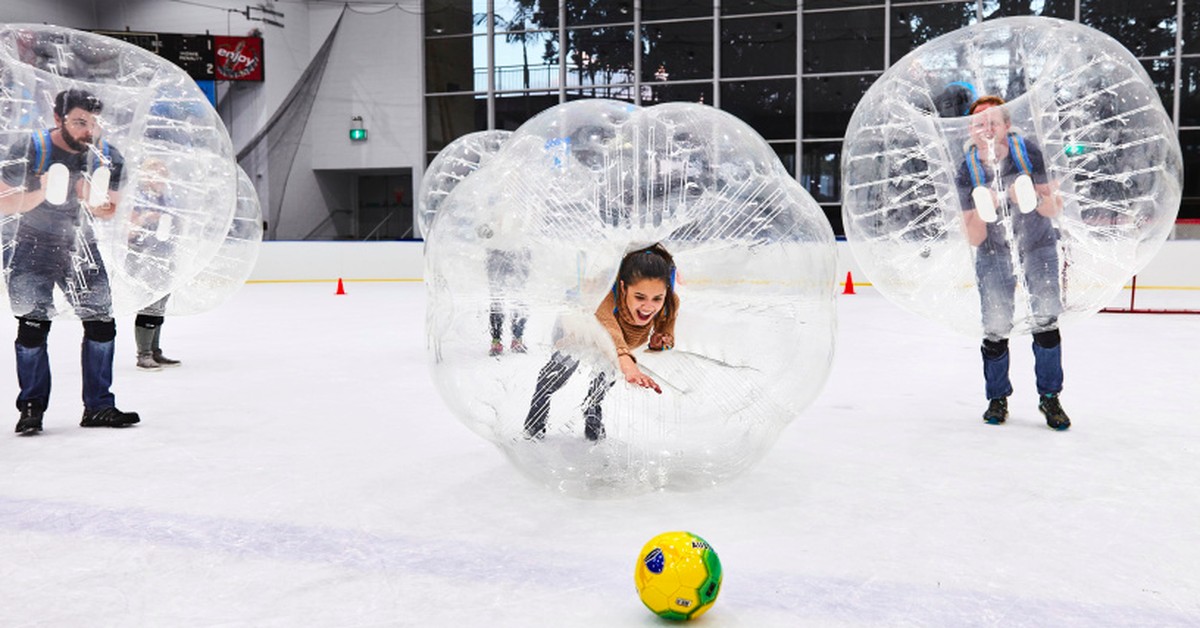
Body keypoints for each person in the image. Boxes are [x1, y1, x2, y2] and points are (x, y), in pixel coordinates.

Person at [0, 88, 141, 434]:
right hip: (28, 246)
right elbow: (3, 203)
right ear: (58, 119)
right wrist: (41, 192)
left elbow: (108, 212)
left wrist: (95, 202)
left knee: (101, 323)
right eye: (80, 122)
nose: (88, 130)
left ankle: (99, 406)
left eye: (94, 123)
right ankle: (31, 407)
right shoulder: (31, 148)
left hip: (80, 245)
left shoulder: (107, 155)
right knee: (33, 327)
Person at [956, 95, 1070, 430]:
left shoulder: (1027, 152)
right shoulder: (967, 170)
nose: (986, 128)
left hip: (1037, 244)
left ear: (1006, 126)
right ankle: (997, 397)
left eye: (994, 121)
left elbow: (1055, 207)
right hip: (992, 251)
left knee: (1046, 319)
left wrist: (1035, 199)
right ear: (971, 130)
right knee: (995, 325)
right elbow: (973, 237)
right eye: (980, 123)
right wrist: (981, 210)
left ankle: (1050, 397)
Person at [523, 244, 678, 441]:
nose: (649, 306)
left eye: (657, 298)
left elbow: (667, 337)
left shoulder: (669, 304)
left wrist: (660, 342)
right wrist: (626, 360)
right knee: (555, 375)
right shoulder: (605, 296)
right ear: (623, 287)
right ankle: (534, 424)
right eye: (639, 297)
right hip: (578, 332)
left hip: (616, 347)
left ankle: (592, 413)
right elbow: (608, 330)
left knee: (603, 380)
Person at [126, 159, 181, 370]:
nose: (160, 176)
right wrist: (147, 217)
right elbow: (128, 229)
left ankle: (155, 350)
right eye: (155, 171)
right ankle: (144, 354)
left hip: (165, 256)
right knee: (149, 304)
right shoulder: (135, 197)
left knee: (159, 305)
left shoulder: (167, 197)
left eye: (163, 171)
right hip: (143, 257)